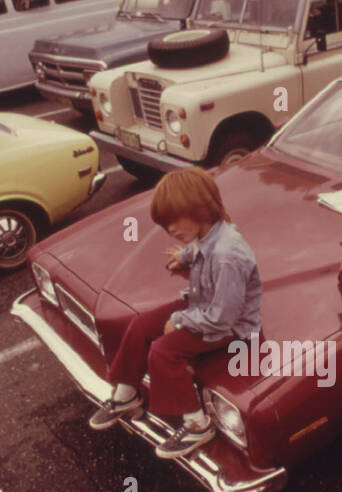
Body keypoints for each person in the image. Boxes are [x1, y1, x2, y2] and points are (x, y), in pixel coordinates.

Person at [88, 167, 262, 459]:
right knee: (141, 325)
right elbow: (199, 248)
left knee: (164, 351)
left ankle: (197, 424)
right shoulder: (208, 233)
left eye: (174, 222)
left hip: (232, 327)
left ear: (200, 209)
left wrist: (180, 320)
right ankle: (127, 393)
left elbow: (224, 318)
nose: (170, 231)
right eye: (165, 225)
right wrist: (183, 256)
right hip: (203, 306)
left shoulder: (227, 257)